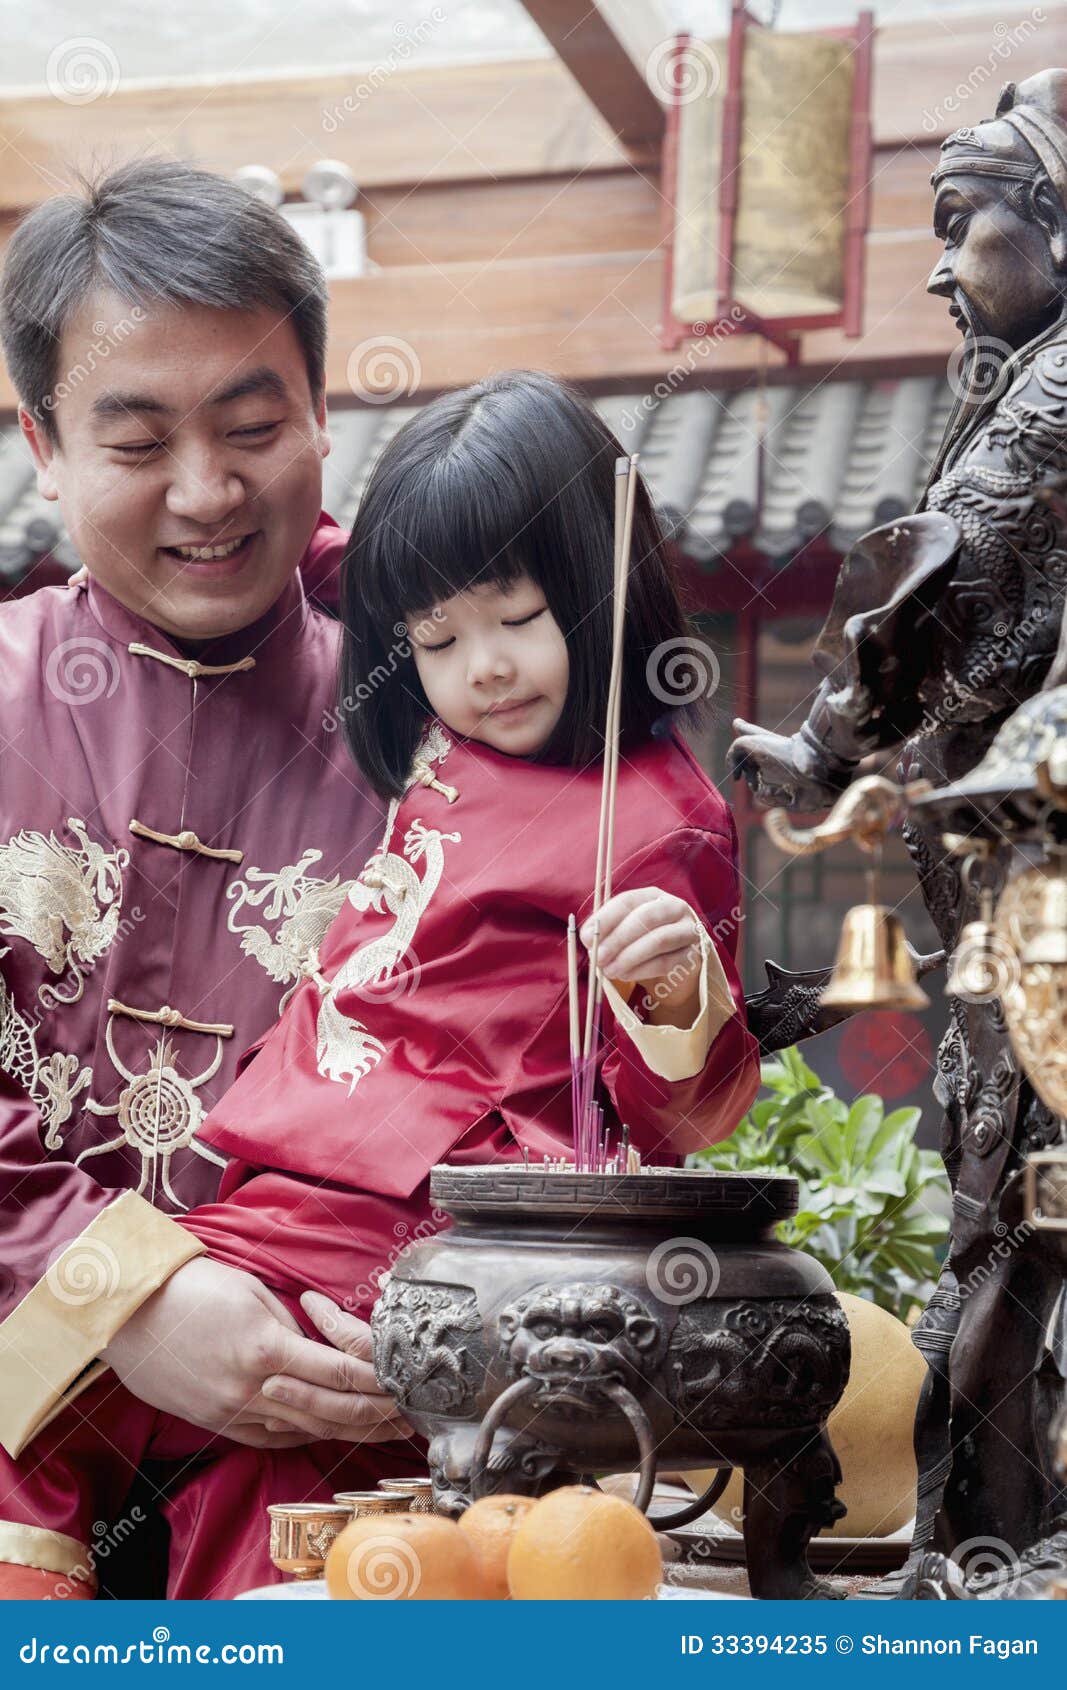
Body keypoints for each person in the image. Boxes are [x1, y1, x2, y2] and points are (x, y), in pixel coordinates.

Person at [0, 371, 760, 1599]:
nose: (485, 670)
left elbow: (680, 1116)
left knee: (82, 1380)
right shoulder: (445, 732)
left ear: (594, 587)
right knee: (130, 1393)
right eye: (438, 639)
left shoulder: (660, 815)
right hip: (292, 1186)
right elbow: (349, 568)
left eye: (517, 617)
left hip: (425, 1207)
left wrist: (676, 996)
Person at [0, 159, 416, 1592]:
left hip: (340, 1450)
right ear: (42, 442)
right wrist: (120, 1296)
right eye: (137, 442)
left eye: (253, 425)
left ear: (319, 409)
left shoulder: (444, 717)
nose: (207, 492)